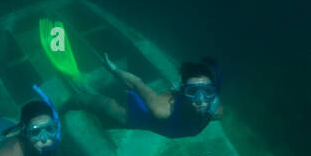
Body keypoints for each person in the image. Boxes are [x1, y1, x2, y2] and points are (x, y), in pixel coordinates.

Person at [68, 56, 223, 139]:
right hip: (143, 119)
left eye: (207, 91)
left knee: (106, 121)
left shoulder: (216, 110)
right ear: (184, 92)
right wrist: (113, 69)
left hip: (172, 120)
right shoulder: (161, 109)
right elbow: (137, 84)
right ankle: (67, 104)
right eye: (193, 91)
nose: (201, 99)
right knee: (104, 106)